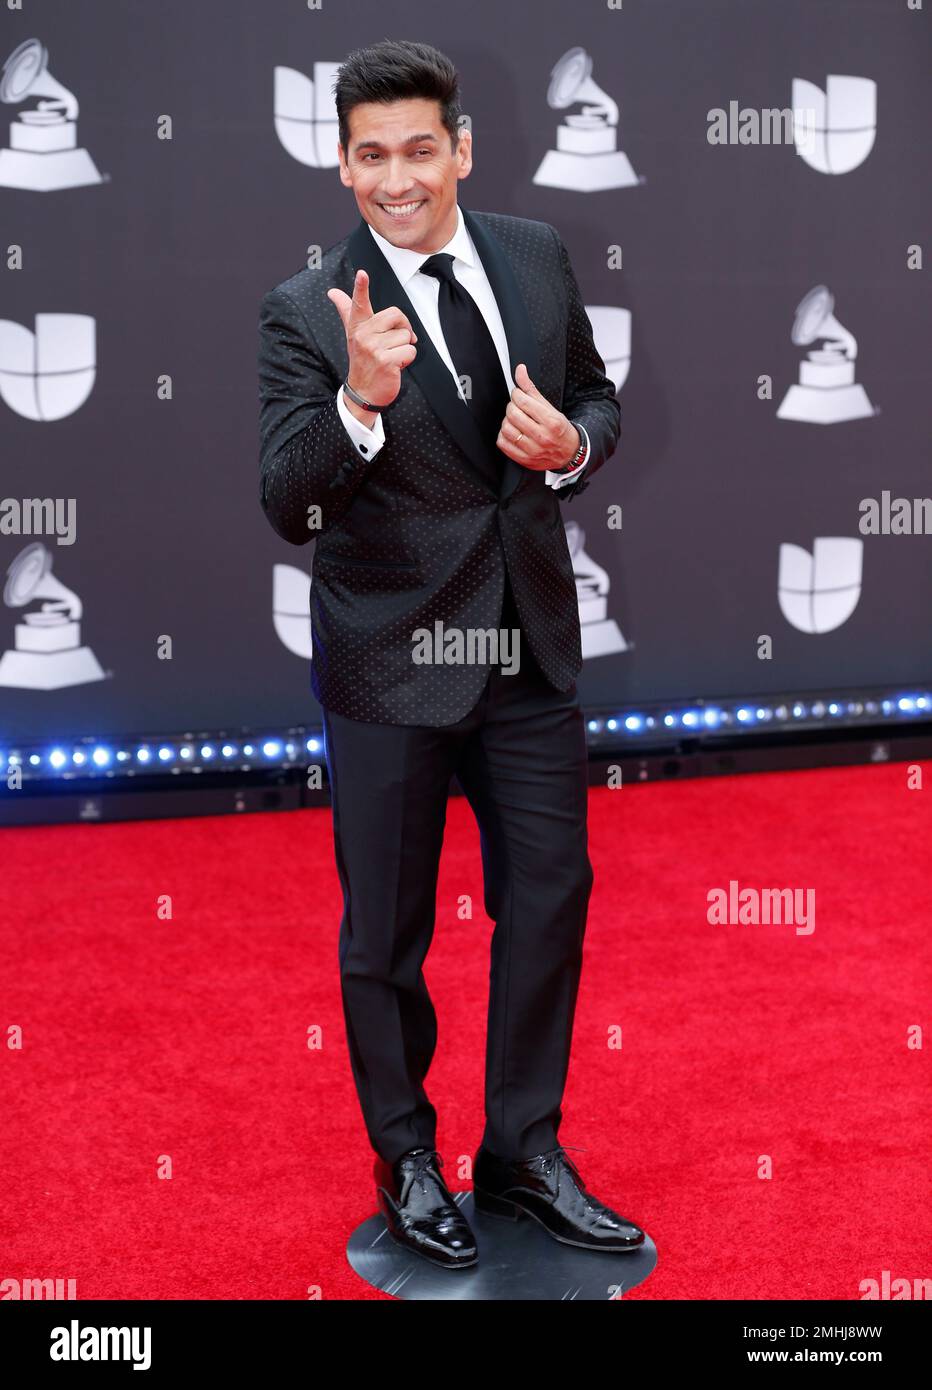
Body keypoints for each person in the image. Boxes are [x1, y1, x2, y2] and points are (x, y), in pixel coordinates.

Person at [258, 38, 644, 1270]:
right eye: (369, 154)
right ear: (341, 165)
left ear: (460, 149)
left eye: (418, 148)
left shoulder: (532, 253)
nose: (395, 177)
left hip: (525, 649)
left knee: (552, 895)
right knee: (387, 933)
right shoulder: (305, 310)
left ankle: (522, 1151)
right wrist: (357, 405)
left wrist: (568, 449)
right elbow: (286, 501)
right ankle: (407, 1153)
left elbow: (595, 396)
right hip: (388, 664)